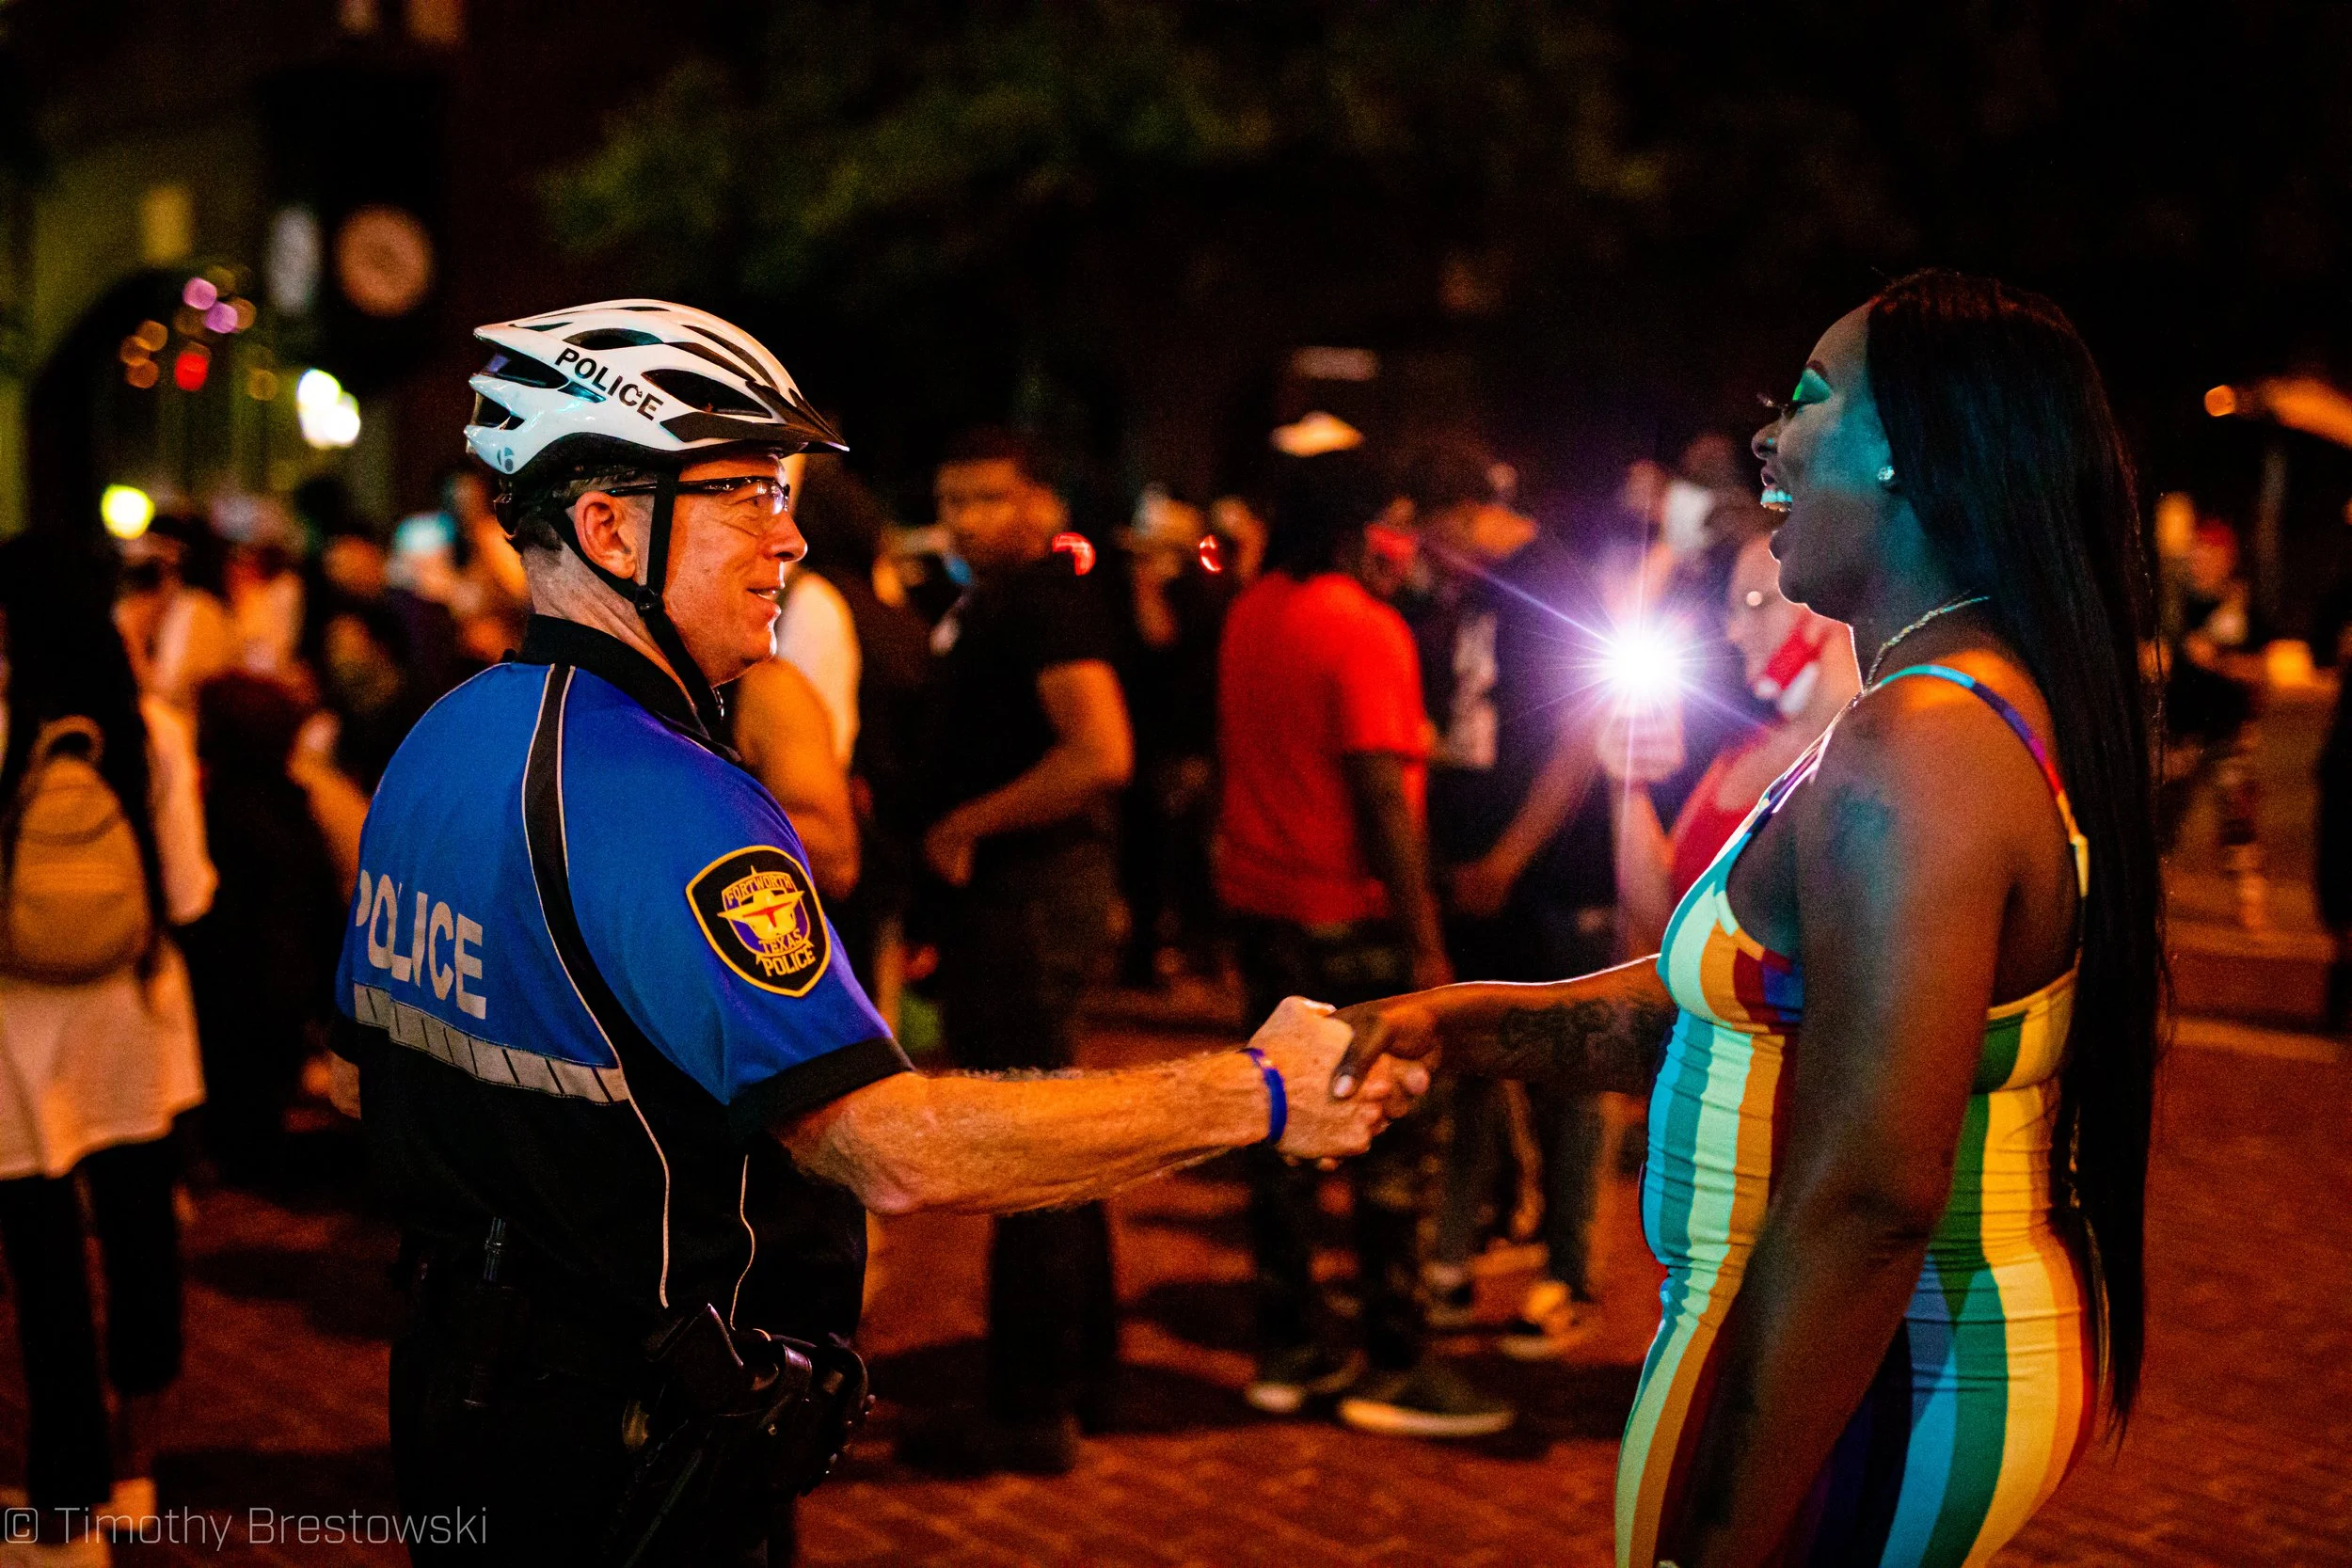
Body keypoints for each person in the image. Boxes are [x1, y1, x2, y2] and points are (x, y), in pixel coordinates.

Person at [331, 301, 1417, 1565]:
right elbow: (899, 1150)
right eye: (742, 493)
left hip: (456, 1396)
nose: (787, 536)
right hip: (636, 1445)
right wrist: (1257, 1092)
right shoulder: (679, 804)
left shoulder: (440, 740)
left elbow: (369, 1074)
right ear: (607, 524)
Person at [1331, 271, 2159, 1568]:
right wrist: (1462, 1023)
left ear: (1915, 452)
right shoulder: (1917, 716)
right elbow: (1738, 1018)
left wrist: (1723, 1532)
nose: (1770, 438)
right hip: (1839, 1346)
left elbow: (1872, 1192)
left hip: (1870, 1368)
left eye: (1813, 399)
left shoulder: (1923, 745)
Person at [1215, 447, 1513, 1439]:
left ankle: (1287, 1348)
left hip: (1260, 910)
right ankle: (1394, 1360)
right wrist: (1426, 943)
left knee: (1278, 1135)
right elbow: (1384, 795)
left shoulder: (1252, 612)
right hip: (1349, 915)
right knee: (1391, 1142)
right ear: (1352, 528)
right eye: (1388, 517)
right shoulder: (1365, 629)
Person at [900, 426, 1136, 1475]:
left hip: (1030, 902)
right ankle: (1081, 1371)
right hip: (1018, 902)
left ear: (1039, 503)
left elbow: (1100, 750)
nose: (964, 517)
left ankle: (1032, 1401)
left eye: (988, 498)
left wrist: (966, 824)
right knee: (1052, 1136)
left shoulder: (1041, 599)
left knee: (1025, 1143)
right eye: (951, 498)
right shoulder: (993, 598)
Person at [0, 532, 216, 1560]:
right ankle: (136, 1465)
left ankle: (61, 1501)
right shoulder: (155, 734)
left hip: (16, 1055)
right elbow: (188, 894)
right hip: (138, 1031)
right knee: (141, 1247)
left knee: (43, 1275)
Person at [1401, 434, 1619, 1363]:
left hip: (1552, 874)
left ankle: (1568, 1272)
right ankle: (1458, 1248)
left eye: (1435, 532)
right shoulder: (1474, 590)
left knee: (1574, 1073)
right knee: (1471, 1056)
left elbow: (1577, 738)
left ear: (1460, 515)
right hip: (1480, 869)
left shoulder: (1556, 584)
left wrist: (1509, 853)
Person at [1603, 530, 1861, 953]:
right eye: (1731, 609)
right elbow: (1662, 926)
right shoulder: (1742, 750)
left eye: (1755, 603)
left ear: (1825, 609)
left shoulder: (1869, 759)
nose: (1734, 632)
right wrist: (1627, 781)